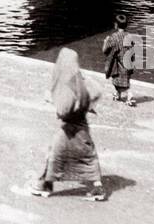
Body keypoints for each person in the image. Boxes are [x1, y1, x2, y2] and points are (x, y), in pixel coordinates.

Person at [30, 48, 107, 201]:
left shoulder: (65, 82)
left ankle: (44, 184)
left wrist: (52, 100)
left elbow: (64, 109)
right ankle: (95, 187)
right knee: (86, 158)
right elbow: (95, 92)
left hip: (68, 128)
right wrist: (87, 105)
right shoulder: (80, 79)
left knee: (55, 154)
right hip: (81, 127)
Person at [102, 12, 137, 106]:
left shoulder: (114, 37)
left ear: (116, 25)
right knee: (123, 80)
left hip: (119, 64)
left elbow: (105, 51)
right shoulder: (130, 36)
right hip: (129, 62)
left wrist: (105, 42)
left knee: (120, 82)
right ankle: (118, 94)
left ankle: (130, 96)